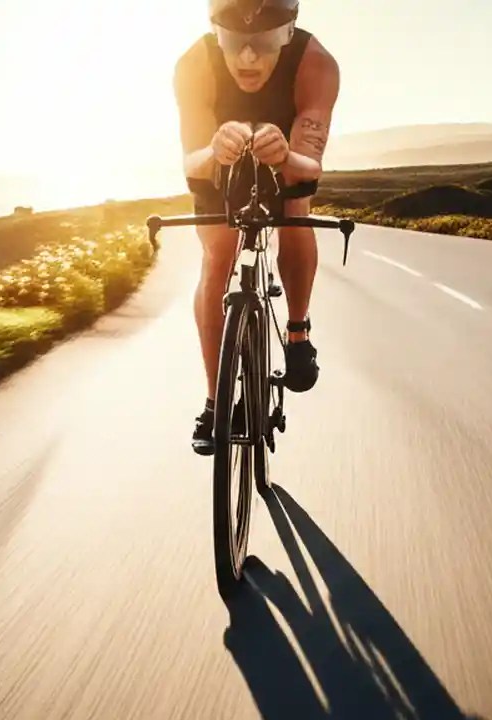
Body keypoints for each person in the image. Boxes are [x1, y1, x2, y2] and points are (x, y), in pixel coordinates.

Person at [174, 0, 341, 455]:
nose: (248, 58)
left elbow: (310, 165)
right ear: (216, 32)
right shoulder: (195, 64)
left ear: (287, 33)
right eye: (234, 41)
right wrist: (213, 150)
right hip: (219, 163)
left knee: (296, 208)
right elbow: (190, 161)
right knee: (217, 254)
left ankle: (298, 333)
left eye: (263, 42)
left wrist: (286, 155)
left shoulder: (316, 64)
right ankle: (215, 402)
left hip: (285, 156)